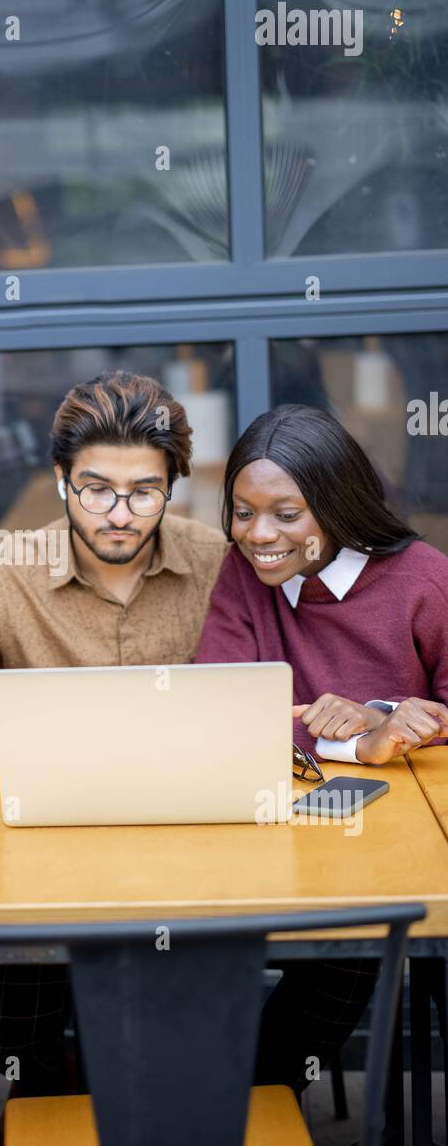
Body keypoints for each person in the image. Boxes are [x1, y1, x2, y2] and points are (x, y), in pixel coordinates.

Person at [0, 369, 229, 1102]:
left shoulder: (218, 561)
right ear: (60, 479)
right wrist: (48, 756)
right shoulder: (5, 570)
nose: (119, 514)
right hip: (49, 853)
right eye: (94, 489)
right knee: (3, 1031)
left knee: (226, 1007)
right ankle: (53, 1119)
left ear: (174, 486)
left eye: (144, 492)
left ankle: (224, 1116)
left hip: (194, 849)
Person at [195, 403, 448, 1095]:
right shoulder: (243, 576)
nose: (258, 536)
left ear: (336, 506)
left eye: (286, 514)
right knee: (320, 963)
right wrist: (355, 744)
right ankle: (238, 1130)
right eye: (242, 513)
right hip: (300, 850)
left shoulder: (422, 580)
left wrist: (389, 718)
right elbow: (216, 713)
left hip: (417, 851)